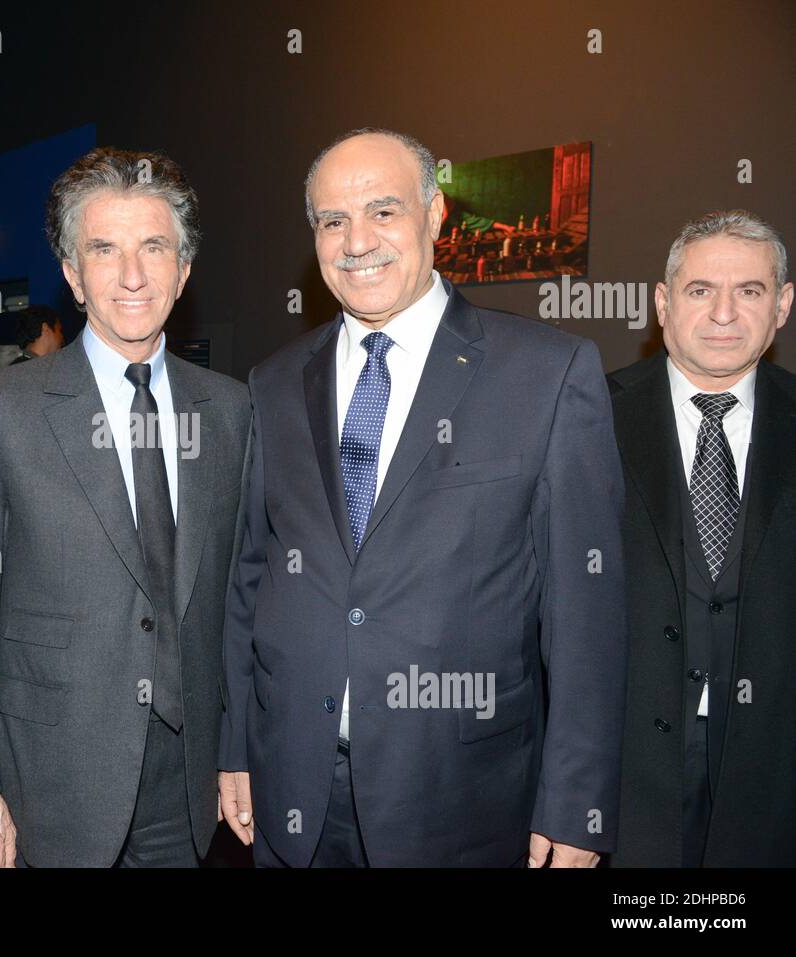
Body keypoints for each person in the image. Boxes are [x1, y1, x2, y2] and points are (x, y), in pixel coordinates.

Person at [219, 129, 628, 867]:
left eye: (383, 211)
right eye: (333, 221)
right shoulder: (274, 382)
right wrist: (234, 746)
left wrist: (578, 803)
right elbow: (252, 573)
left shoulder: (547, 372)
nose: (357, 242)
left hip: (460, 798)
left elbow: (585, 610)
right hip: (291, 783)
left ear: (435, 214)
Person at [0, 147, 250, 867]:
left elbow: (238, 599)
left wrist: (238, 749)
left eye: (154, 247)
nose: (132, 275)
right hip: (52, 774)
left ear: (184, 269)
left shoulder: (230, 410)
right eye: (104, 250)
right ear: (73, 275)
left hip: (188, 775)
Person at [608, 210, 795, 867]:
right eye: (700, 290)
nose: (723, 313)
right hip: (626, 772)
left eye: (749, 291)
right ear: (662, 304)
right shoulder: (588, 416)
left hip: (774, 777)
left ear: (782, 306)